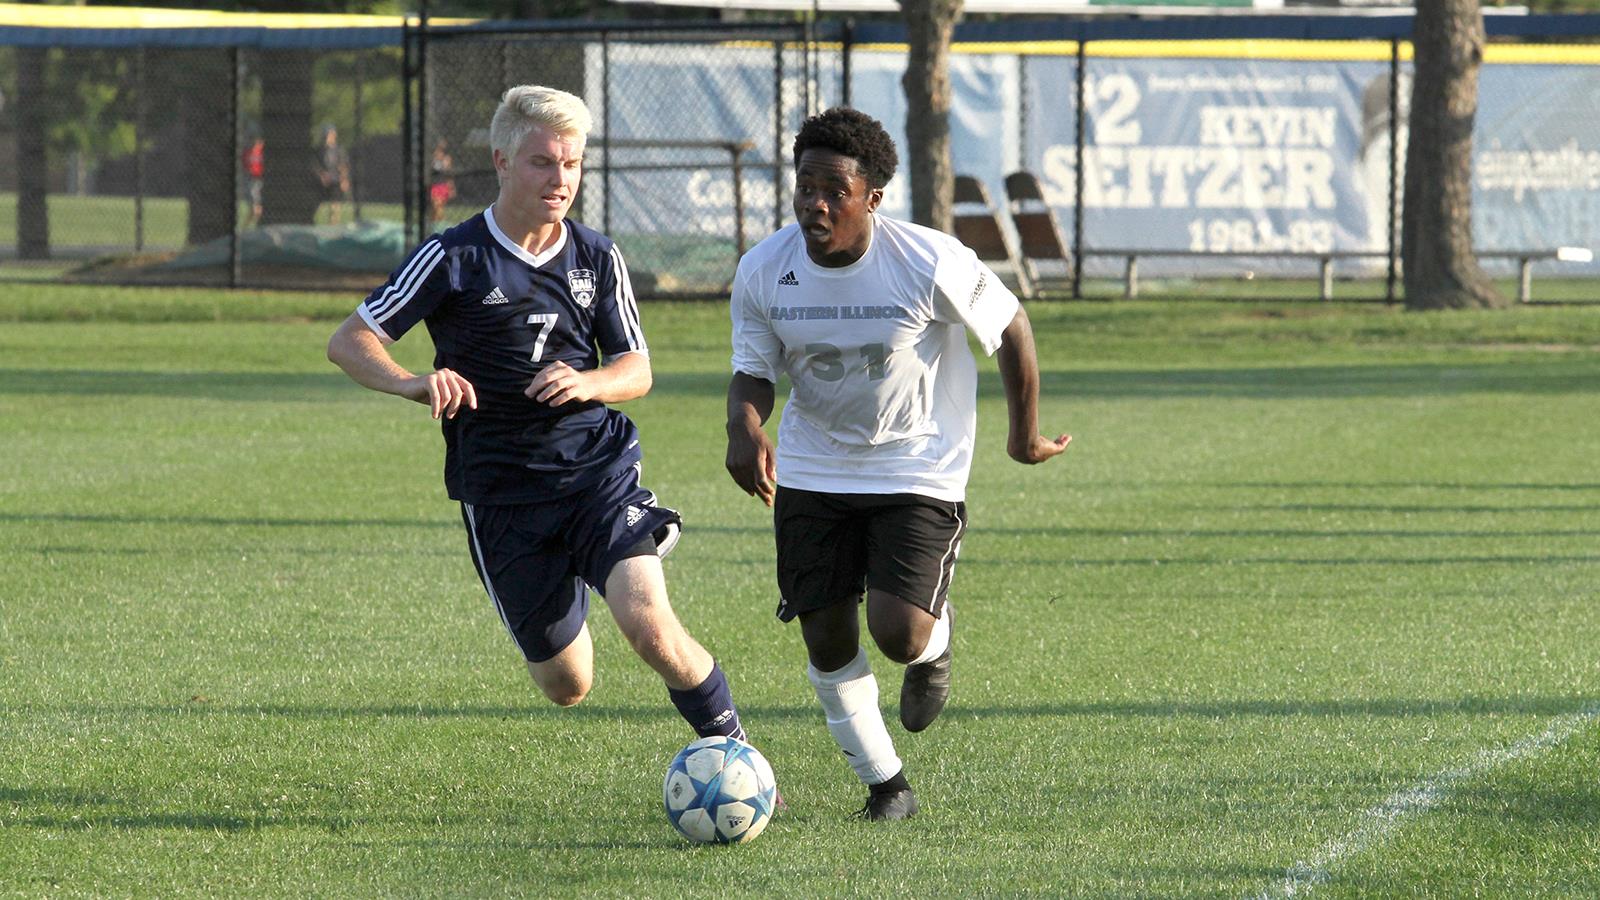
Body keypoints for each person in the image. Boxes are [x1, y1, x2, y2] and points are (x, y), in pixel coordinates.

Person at [328, 85, 752, 755]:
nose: (561, 179)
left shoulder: (596, 256)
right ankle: (577, 575)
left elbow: (636, 369)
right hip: (502, 493)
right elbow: (350, 341)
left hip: (596, 476)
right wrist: (413, 382)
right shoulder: (453, 257)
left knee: (651, 629)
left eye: (572, 164)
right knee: (567, 684)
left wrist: (590, 382)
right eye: (543, 162)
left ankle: (741, 760)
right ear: (502, 162)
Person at [724, 107, 1070, 821]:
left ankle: (933, 644)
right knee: (825, 636)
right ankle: (888, 787)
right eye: (805, 188)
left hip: (918, 462)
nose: (816, 205)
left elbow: (1011, 325)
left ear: (873, 197)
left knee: (898, 632)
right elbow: (755, 369)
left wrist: (1024, 436)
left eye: (836, 191)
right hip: (815, 465)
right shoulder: (763, 270)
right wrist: (743, 426)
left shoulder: (926, 259)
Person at [314, 123, 351, 225]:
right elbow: (315, 165)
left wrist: (344, 180)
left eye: (330, 134)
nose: (328, 137)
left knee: (335, 204)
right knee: (317, 202)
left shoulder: (339, 150)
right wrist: (322, 175)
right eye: (326, 135)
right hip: (322, 180)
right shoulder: (319, 150)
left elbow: (343, 166)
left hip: (335, 179)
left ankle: (333, 224)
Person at [429, 138, 457, 226]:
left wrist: (451, 188)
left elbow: (449, 175)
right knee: (435, 208)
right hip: (434, 185)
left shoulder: (446, 159)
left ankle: (440, 224)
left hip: (442, 185)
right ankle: (435, 224)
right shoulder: (433, 159)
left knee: (439, 207)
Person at [242, 135, 265, 228]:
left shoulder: (261, 151)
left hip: (260, 178)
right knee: (254, 204)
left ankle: (248, 226)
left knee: (256, 206)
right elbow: (246, 165)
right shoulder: (248, 152)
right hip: (252, 178)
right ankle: (247, 227)